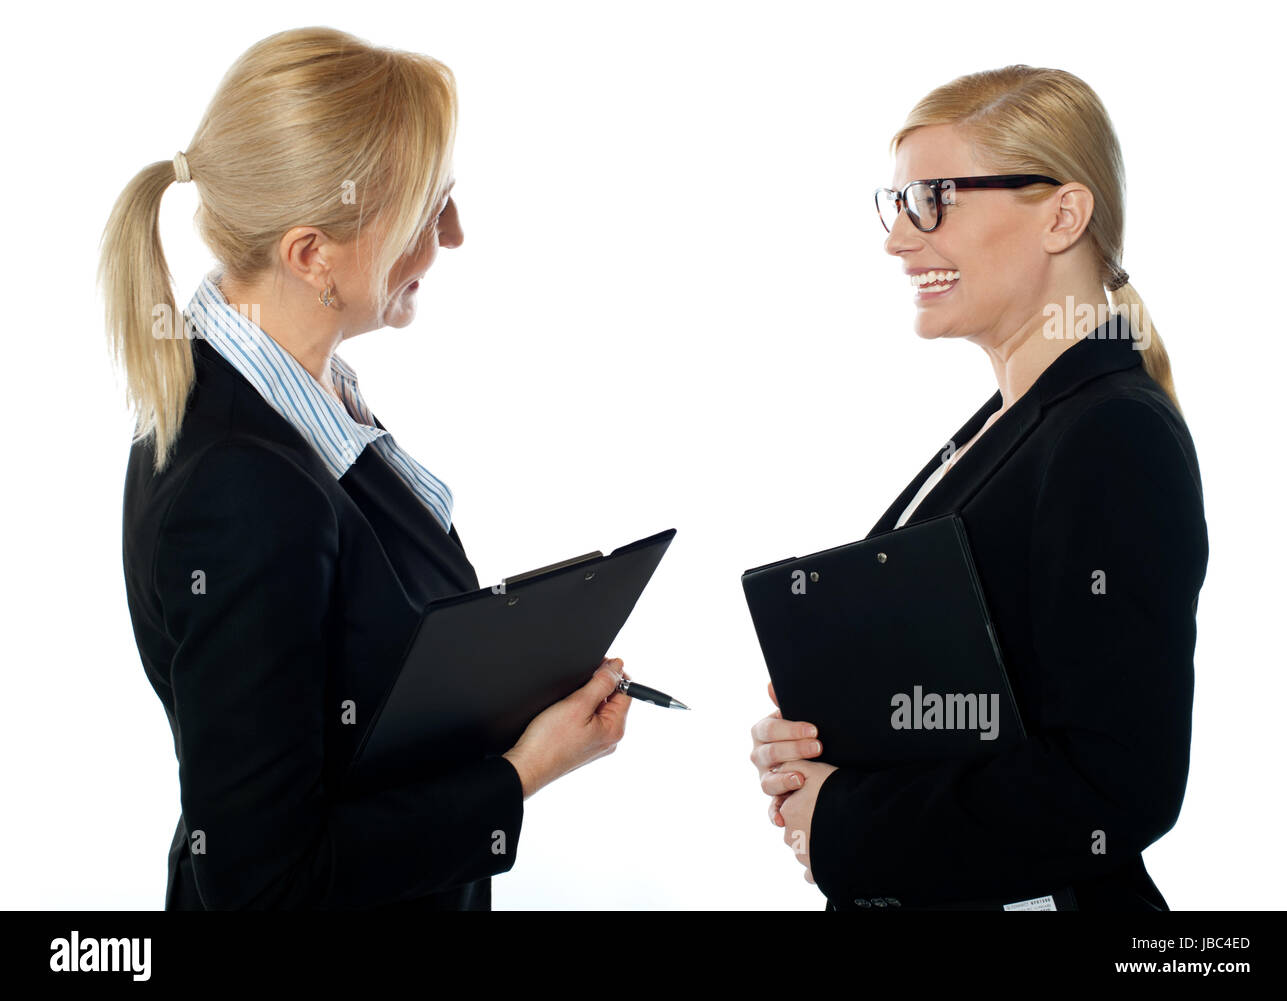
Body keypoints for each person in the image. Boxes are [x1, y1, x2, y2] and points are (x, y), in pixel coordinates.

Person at [102, 26, 630, 910]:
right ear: (312, 256)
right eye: (431, 210)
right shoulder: (241, 484)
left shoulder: (290, 397)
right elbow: (265, 882)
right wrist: (523, 771)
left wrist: (511, 672)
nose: (453, 236)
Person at [749, 65, 1209, 911]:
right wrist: (834, 738)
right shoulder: (1009, 423)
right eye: (896, 205)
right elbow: (991, 705)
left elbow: (1117, 783)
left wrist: (848, 820)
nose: (899, 238)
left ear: (1064, 215)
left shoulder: (1112, 432)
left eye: (935, 198)